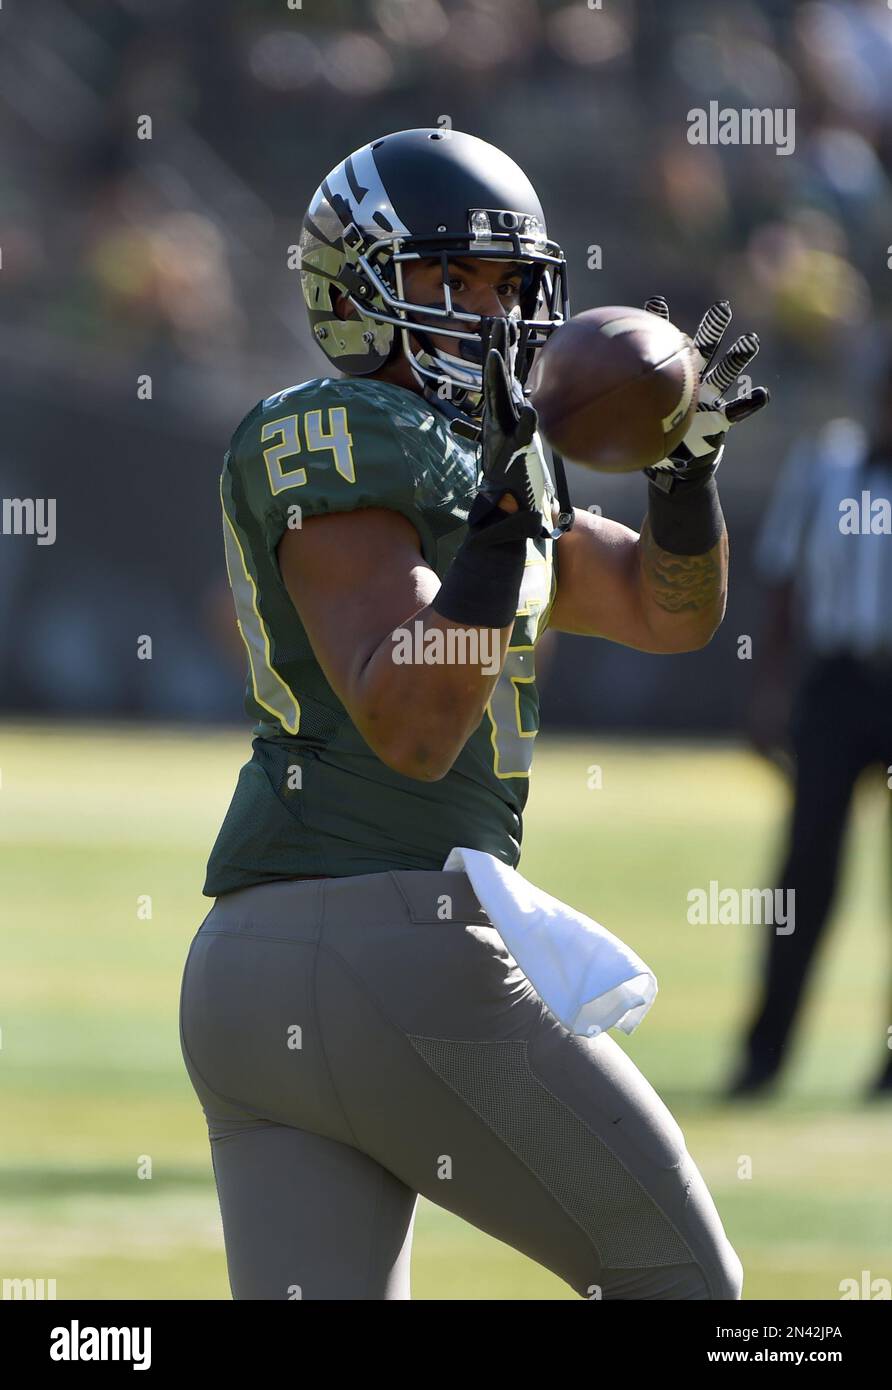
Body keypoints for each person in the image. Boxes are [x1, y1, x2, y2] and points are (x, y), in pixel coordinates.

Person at [178, 128, 768, 1299]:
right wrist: (495, 539)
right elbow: (409, 725)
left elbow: (668, 611)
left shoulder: (496, 465)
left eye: (508, 283)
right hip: (393, 940)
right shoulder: (348, 428)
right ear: (355, 292)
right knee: (687, 1292)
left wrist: (681, 482)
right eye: (448, 280)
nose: (488, 313)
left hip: (257, 977)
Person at [732, 360, 892, 1099]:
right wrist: (771, 690)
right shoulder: (826, 464)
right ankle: (764, 1055)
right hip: (834, 682)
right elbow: (785, 579)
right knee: (804, 874)